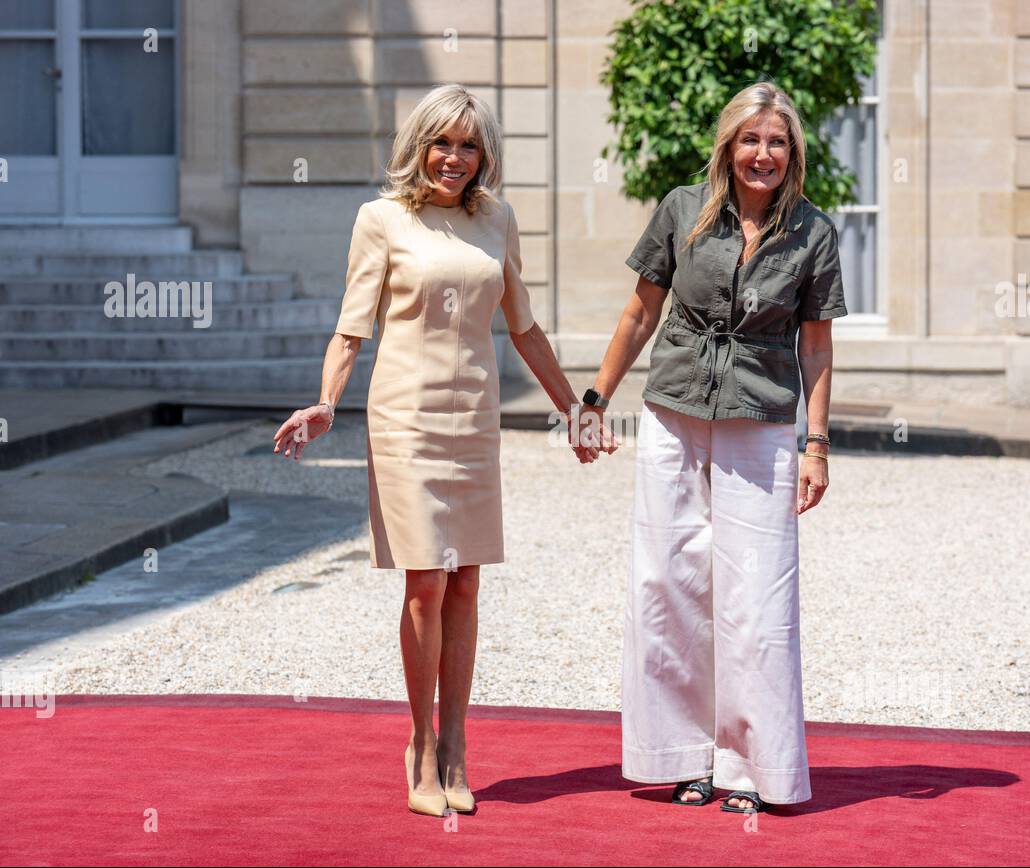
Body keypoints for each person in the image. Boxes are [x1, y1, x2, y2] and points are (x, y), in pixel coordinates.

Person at [272, 84, 606, 817]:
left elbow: (524, 328)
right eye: (443, 142)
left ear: (484, 155)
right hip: (404, 419)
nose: (455, 158)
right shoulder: (382, 219)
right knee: (424, 580)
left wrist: (573, 410)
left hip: (472, 421)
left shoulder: (497, 220)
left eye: (469, 145)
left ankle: (457, 743)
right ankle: (420, 744)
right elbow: (350, 329)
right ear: (418, 145)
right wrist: (328, 403)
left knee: (466, 584)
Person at [579, 81, 846, 813]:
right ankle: (685, 756)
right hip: (673, 413)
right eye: (751, 139)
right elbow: (640, 315)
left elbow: (817, 347)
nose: (763, 153)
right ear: (728, 144)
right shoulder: (679, 209)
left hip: (760, 423)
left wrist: (815, 445)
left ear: (792, 153)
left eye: (778, 141)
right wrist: (595, 399)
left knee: (757, 597)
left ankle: (751, 767)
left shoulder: (814, 233)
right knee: (668, 584)